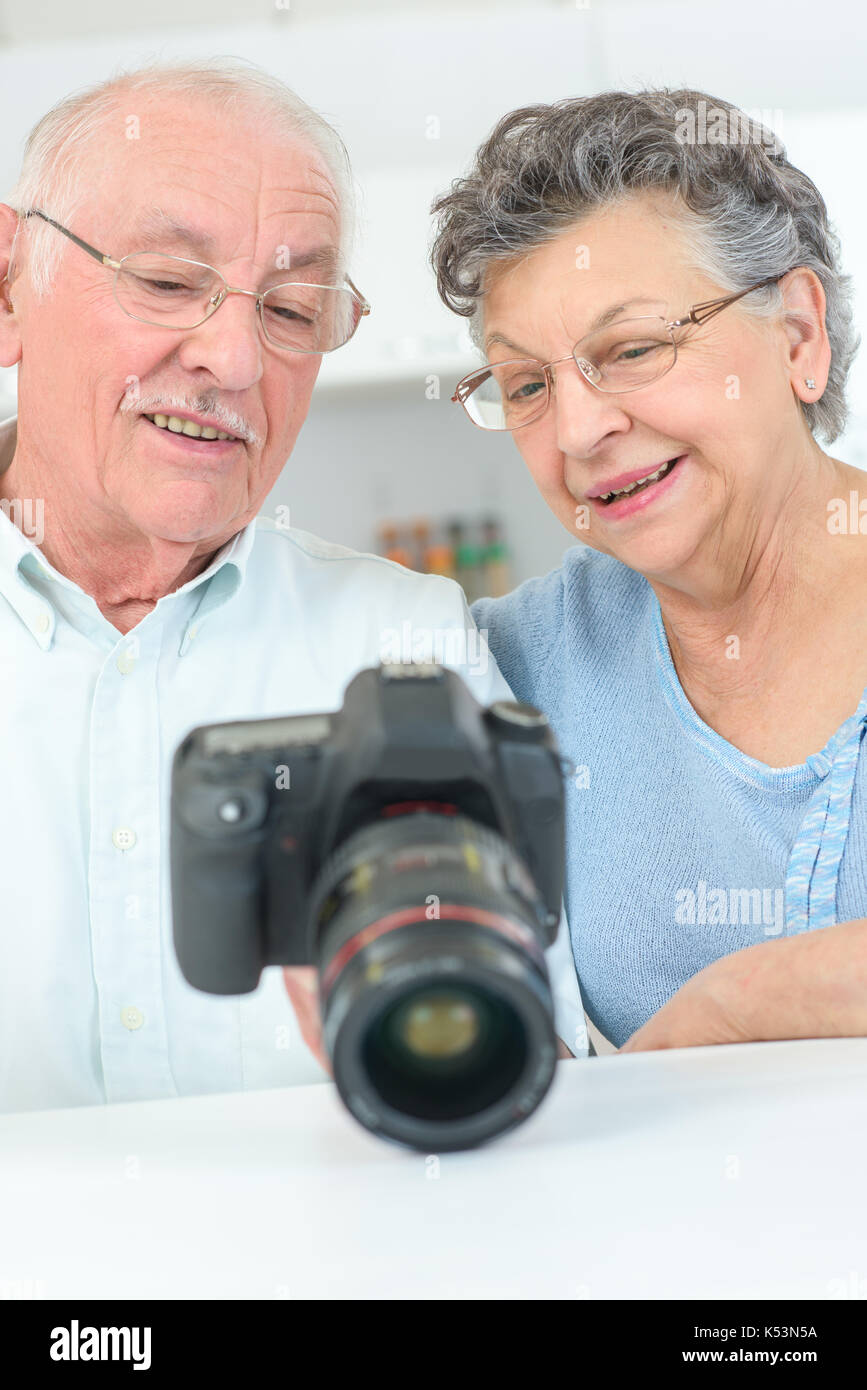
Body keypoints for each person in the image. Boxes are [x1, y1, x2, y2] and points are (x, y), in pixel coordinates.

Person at [0, 57, 585, 1114]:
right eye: (169, 281)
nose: (231, 357)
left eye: (291, 309)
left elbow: (532, 1076)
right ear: (9, 290)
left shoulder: (408, 644)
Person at [430, 88, 867, 1053]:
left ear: (798, 335)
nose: (579, 430)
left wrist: (737, 1005)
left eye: (632, 349)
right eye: (528, 386)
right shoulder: (511, 667)